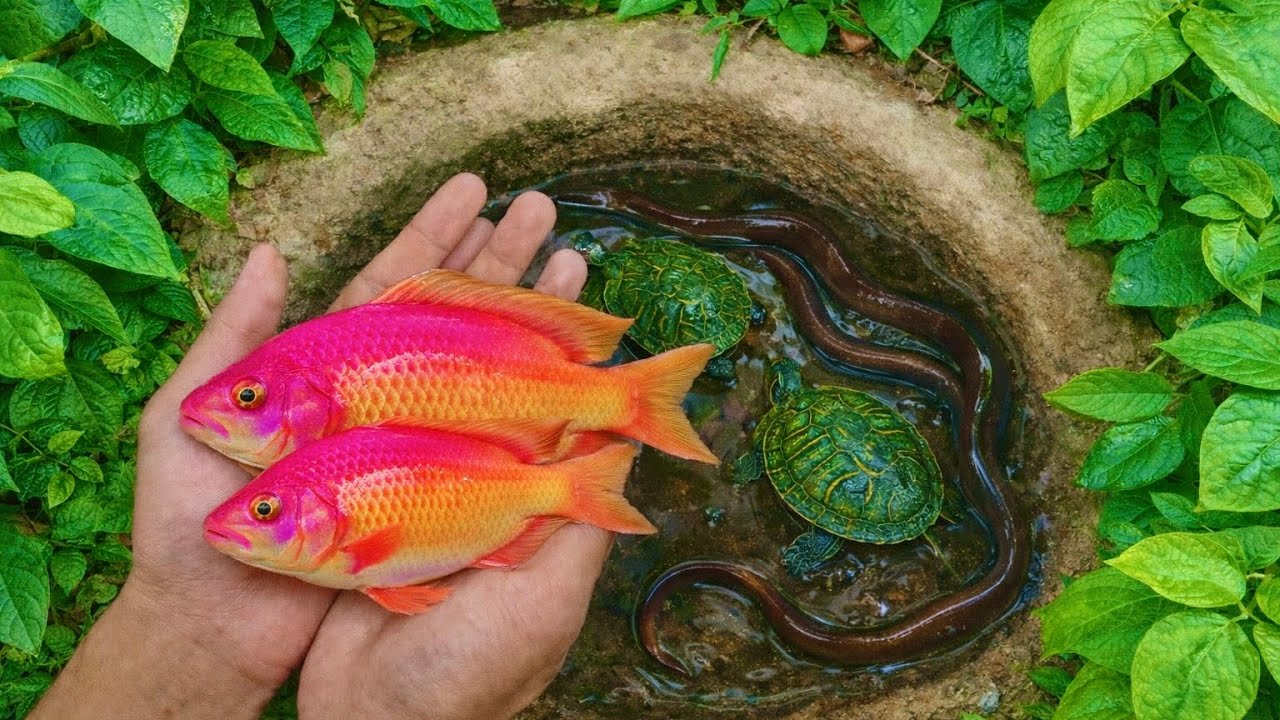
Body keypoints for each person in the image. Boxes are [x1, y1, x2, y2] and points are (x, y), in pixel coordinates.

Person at [31, 174, 613, 720]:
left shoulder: (331, 457)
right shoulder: (324, 467)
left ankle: (620, 399)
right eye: (250, 398)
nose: (213, 416)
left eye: (251, 396)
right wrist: (190, 622)